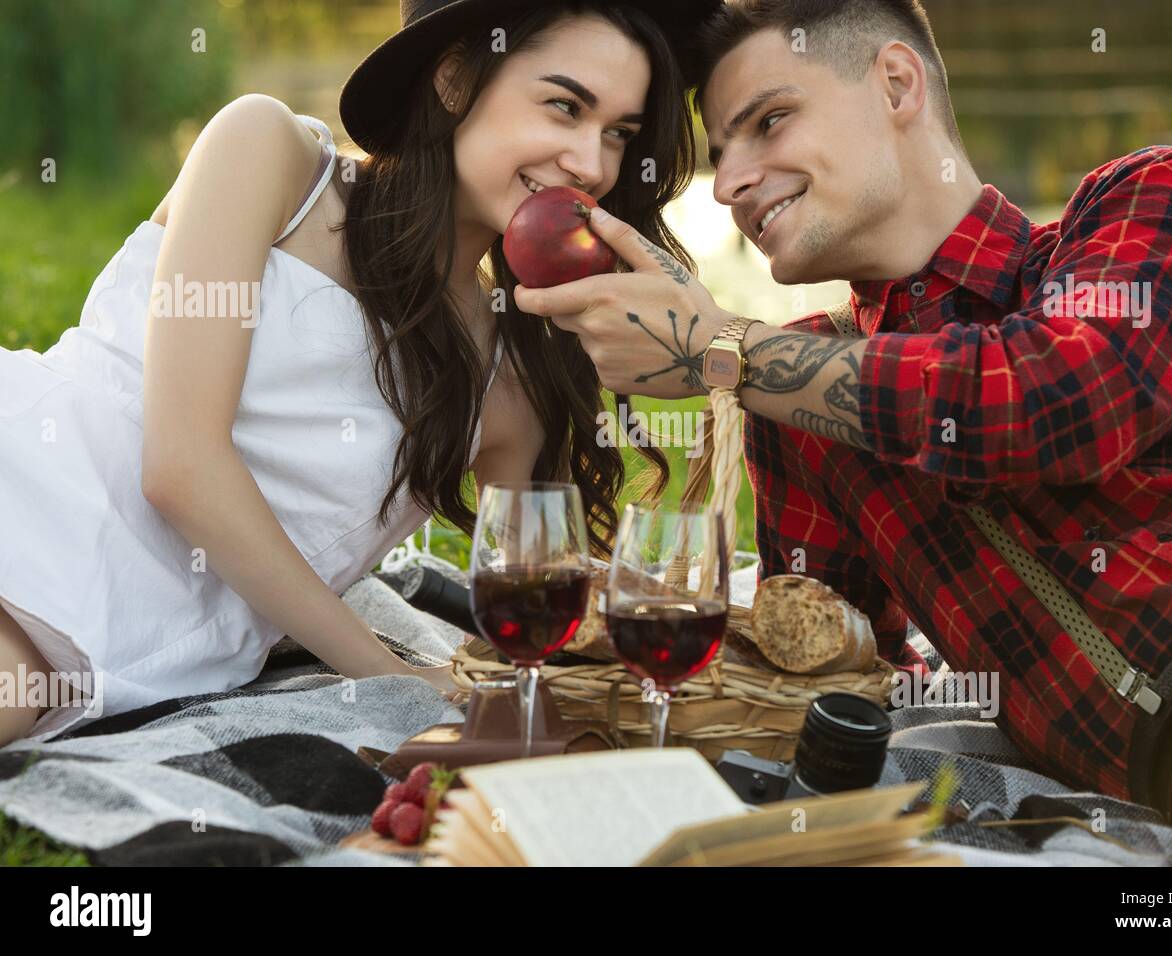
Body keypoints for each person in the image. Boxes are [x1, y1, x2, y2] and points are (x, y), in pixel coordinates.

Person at [511, 0, 1172, 864]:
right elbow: (825, 666)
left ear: (896, 83)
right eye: (721, 153)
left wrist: (717, 349)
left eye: (770, 121)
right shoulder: (804, 408)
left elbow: (1061, 403)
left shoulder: (1149, 199)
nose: (731, 182)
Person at [0, 0, 721, 748]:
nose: (592, 164)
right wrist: (397, 679)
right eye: (564, 106)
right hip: (34, 491)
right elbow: (181, 466)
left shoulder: (509, 387)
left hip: (137, 637)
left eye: (618, 135)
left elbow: (542, 595)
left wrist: (698, 347)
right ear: (452, 79)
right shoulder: (272, 156)